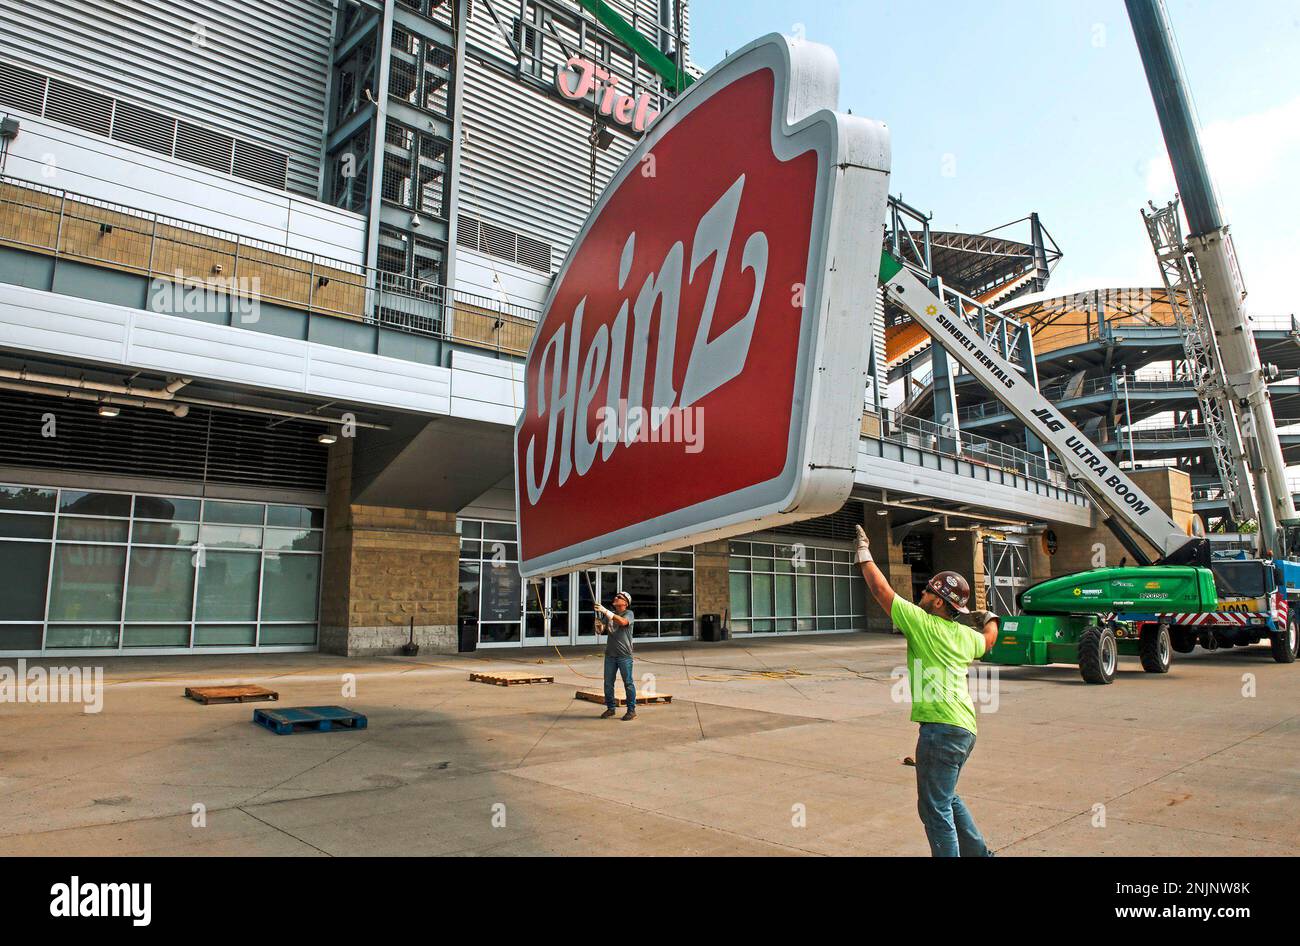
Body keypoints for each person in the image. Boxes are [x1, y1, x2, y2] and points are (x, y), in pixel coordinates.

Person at [853, 524, 1000, 857]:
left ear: (938, 602)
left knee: (934, 810)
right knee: (946, 798)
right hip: (965, 729)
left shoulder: (922, 622)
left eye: (928, 591)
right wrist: (989, 617)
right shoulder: (964, 636)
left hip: (941, 730)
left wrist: (864, 552)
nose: (922, 594)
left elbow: (880, 589)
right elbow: (989, 640)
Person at [595, 591, 636, 720]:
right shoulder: (609, 616)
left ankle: (631, 710)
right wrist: (598, 625)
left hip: (624, 655)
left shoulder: (629, 614)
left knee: (628, 683)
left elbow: (623, 622)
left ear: (625, 602)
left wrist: (606, 611)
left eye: (619, 597)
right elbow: (601, 630)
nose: (616, 598)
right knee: (608, 683)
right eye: (616, 596)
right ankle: (610, 708)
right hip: (610, 654)